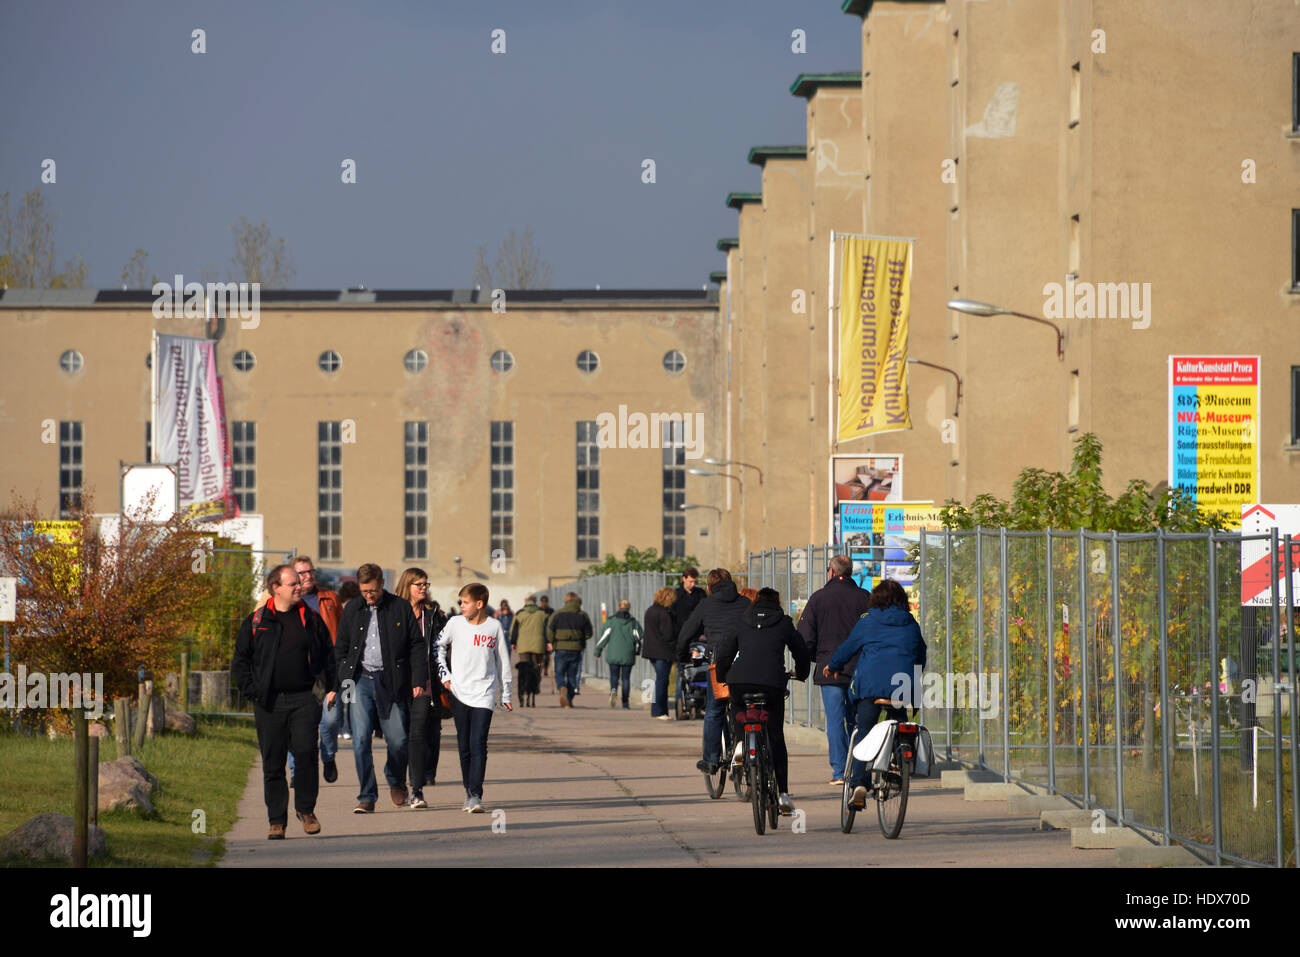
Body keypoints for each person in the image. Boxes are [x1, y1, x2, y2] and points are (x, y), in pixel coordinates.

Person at [231, 564, 336, 839]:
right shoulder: (256, 621)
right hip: (269, 702)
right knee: (273, 762)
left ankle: (306, 809)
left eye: (299, 582)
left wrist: (331, 686)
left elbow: (328, 654)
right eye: (292, 584)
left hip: (303, 699)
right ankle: (277, 821)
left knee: (305, 754)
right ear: (275, 588)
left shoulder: (310, 619)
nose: (299, 586)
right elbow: (240, 663)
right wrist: (253, 692)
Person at [826, 578, 926, 810]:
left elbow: (848, 648)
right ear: (902, 600)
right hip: (902, 685)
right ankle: (900, 759)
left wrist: (833, 665)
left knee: (864, 731)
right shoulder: (910, 622)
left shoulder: (868, 621)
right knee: (900, 721)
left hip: (871, 688)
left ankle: (860, 782)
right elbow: (921, 654)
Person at [334, 563, 427, 813]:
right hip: (360, 680)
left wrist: (418, 680)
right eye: (364, 591)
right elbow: (341, 649)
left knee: (398, 740)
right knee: (360, 739)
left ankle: (396, 779)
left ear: (382, 584)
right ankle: (367, 795)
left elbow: (416, 646)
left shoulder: (400, 607)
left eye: (373, 590)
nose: (369, 595)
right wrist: (341, 682)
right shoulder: (353, 609)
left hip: (392, 681)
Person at [714, 586, 810, 814]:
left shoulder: (741, 619)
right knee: (776, 735)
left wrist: (722, 676)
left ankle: (739, 743)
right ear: (777, 602)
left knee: (737, 708)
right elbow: (801, 651)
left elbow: (725, 651)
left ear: (755, 602)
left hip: (741, 680)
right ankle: (783, 794)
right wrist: (802, 673)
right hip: (772, 683)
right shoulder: (784, 622)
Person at [435, 582, 513, 812]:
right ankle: (468, 791)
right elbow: (437, 647)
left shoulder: (494, 627)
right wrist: (444, 676)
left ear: (479, 604)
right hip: (459, 692)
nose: (461, 606)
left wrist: (506, 692)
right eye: (461, 602)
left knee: (478, 743)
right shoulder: (455, 623)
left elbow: (503, 662)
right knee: (464, 744)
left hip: (485, 693)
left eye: (465, 602)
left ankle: (476, 794)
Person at [797, 554, 871, 786]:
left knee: (835, 720)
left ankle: (840, 771)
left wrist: (815, 659)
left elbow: (805, 636)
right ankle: (859, 767)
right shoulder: (864, 597)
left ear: (830, 571)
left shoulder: (818, 599)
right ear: (851, 573)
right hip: (859, 668)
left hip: (829, 669)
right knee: (857, 720)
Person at [675, 568, 751, 774]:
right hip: (745, 663)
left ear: (709, 587)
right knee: (743, 706)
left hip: (719, 664)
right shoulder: (745, 603)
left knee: (714, 710)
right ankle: (747, 749)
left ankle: (711, 760)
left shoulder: (706, 604)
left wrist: (682, 657)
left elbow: (686, 633)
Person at [288, 556, 344, 787]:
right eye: (302, 573)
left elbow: (343, 632)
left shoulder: (330, 598)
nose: (308, 576)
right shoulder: (287, 601)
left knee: (330, 721)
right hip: (297, 674)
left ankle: (328, 756)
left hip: (325, 674)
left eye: (310, 571)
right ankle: (295, 771)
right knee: (297, 724)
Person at [396, 567, 447, 809]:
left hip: (424, 685)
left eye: (425, 584)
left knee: (418, 735)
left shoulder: (434, 615)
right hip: (397, 685)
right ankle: (396, 780)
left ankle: (416, 790)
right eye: (418, 584)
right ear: (407, 586)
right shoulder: (393, 613)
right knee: (398, 738)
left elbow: (444, 647)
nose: (424, 588)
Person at [595, 599, 642, 709]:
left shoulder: (611, 621)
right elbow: (639, 636)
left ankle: (613, 690)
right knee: (626, 679)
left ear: (618, 607)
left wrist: (598, 651)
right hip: (628, 654)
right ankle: (625, 703)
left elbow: (604, 636)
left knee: (614, 676)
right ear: (629, 608)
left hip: (613, 654)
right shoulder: (633, 622)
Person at [547, 591, 592, 708]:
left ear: (565, 601)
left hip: (560, 647)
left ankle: (562, 687)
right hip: (576, 649)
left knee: (559, 672)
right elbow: (589, 634)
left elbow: (550, 631)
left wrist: (552, 641)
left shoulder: (557, 614)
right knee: (572, 674)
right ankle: (569, 699)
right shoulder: (583, 615)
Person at [641, 587, 678, 720]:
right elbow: (668, 634)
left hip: (651, 651)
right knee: (662, 682)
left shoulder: (650, 610)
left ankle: (661, 711)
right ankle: (658, 711)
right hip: (663, 651)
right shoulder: (664, 613)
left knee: (660, 680)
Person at [335, 580, 361, 741]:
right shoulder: (357, 609)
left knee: (339, 697)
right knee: (349, 697)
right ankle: (347, 728)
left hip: (339, 657)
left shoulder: (340, 608)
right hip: (352, 659)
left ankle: (339, 727)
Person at [509, 594, 549, 686]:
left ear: (526, 601)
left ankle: (526, 684)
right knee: (537, 665)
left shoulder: (519, 613)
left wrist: (513, 642)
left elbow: (513, 629)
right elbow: (547, 629)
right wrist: (548, 641)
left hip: (523, 646)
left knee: (525, 666)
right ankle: (536, 683)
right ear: (535, 602)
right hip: (538, 645)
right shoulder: (543, 613)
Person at [670, 566, 704, 638]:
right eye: (691, 581)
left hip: (698, 634)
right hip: (680, 633)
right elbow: (672, 616)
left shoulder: (701, 593)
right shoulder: (675, 594)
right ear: (684, 579)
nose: (693, 584)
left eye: (695, 582)